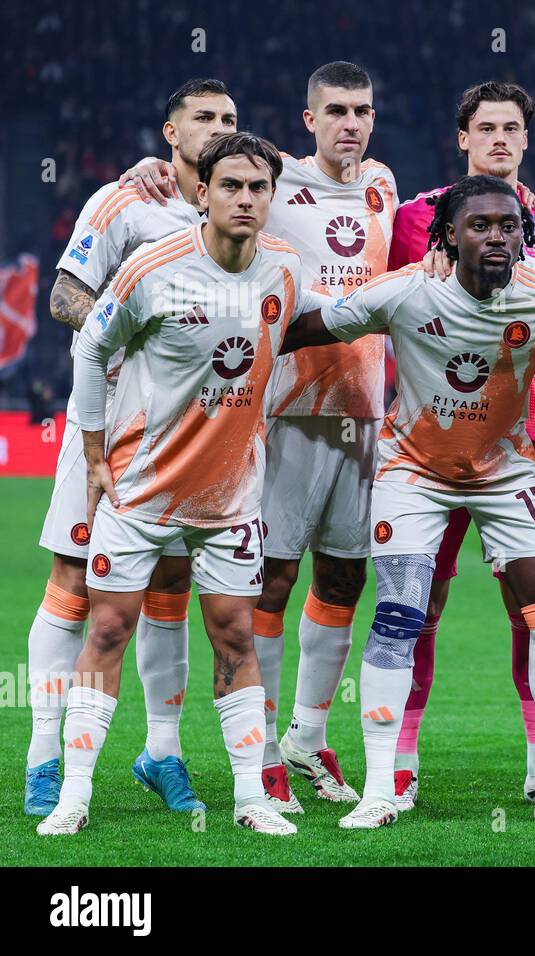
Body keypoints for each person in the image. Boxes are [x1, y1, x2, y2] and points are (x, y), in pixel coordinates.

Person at [280, 175, 535, 829]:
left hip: (507, 471)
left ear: (525, 236)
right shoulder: (408, 293)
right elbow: (310, 325)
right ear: (449, 236)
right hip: (415, 472)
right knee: (401, 615)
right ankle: (382, 788)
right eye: (480, 225)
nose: (496, 236)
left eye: (509, 225)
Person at [121, 62, 400, 812]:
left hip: (362, 410)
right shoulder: (275, 183)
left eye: (363, 110)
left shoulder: (383, 184)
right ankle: (265, 751)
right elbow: (212, 212)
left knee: (344, 579)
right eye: (337, 110)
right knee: (271, 581)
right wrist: (156, 172)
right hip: (282, 411)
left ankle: (308, 737)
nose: (352, 122)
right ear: (309, 119)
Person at [39, 132, 313, 836]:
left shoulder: (284, 270)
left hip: (229, 502)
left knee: (234, 637)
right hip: (141, 490)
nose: (245, 199)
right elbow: (91, 341)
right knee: (106, 627)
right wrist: (95, 455)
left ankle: (251, 799)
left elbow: (333, 320)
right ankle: (74, 796)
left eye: (258, 188)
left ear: (271, 198)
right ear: (203, 192)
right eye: (231, 186)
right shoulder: (151, 267)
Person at [25, 78, 238, 818]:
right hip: (109, 422)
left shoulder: (238, 205)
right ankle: (43, 758)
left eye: (230, 119)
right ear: (169, 135)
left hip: (192, 434)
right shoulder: (126, 200)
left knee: (168, 591)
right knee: (77, 584)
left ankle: (162, 752)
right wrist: (131, 333)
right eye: (203, 118)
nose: (218, 127)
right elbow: (63, 296)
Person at [385, 81, 535, 811]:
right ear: (462, 138)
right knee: (416, 603)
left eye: (512, 128)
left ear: (526, 141)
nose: (500, 138)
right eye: (486, 127)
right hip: (428, 443)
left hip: (521, 442)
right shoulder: (411, 218)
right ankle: (401, 759)